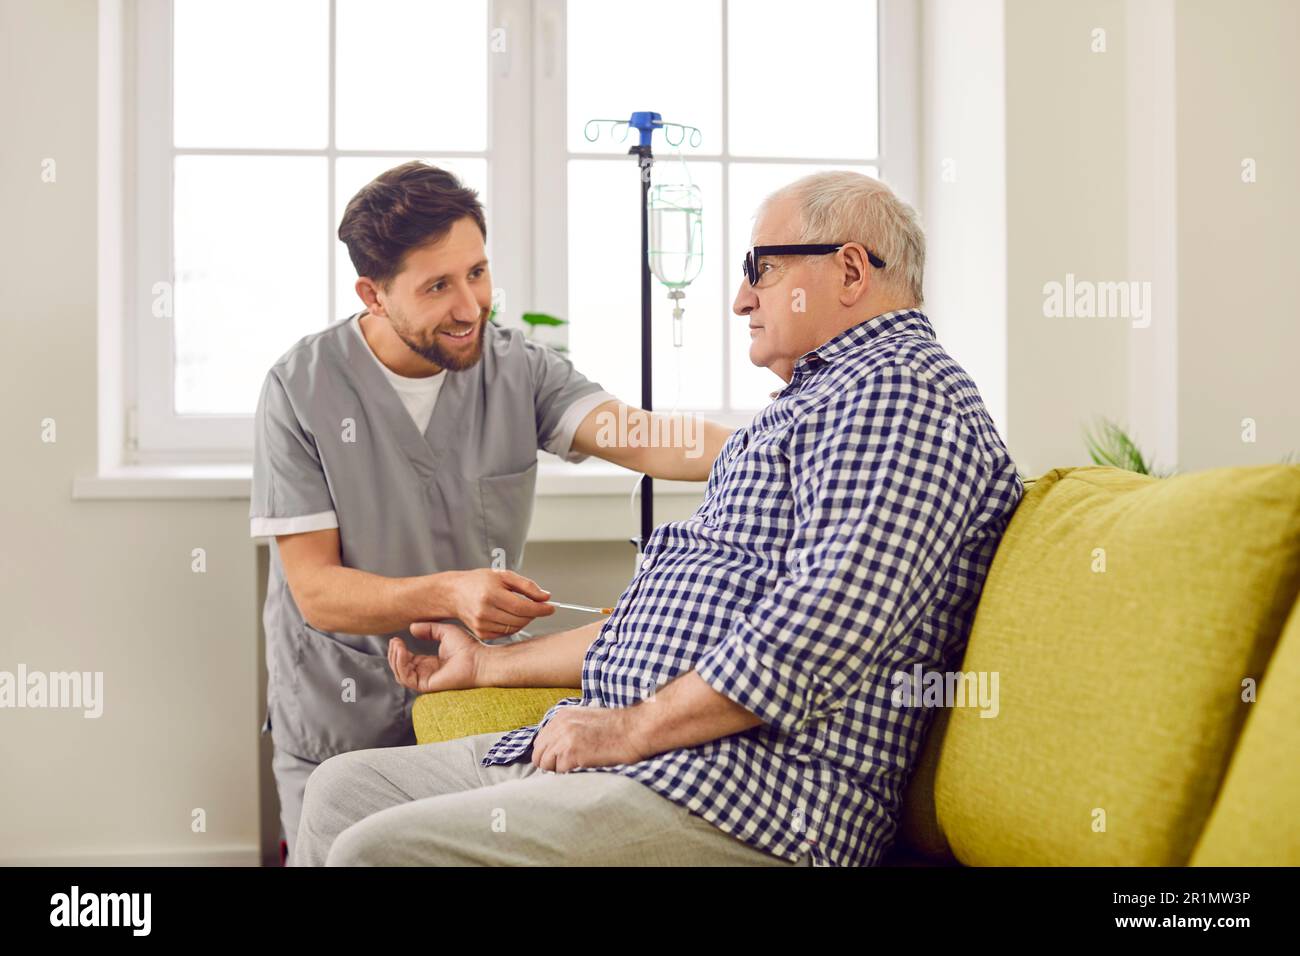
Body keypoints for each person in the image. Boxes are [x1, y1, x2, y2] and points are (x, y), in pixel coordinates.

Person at [293, 170, 1025, 867]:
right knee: (340, 792)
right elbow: (675, 621)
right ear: (374, 294)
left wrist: (628, 727)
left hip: (744, 793)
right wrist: (490, 663)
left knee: (372, 852)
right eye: (439, 284)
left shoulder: (899, 395)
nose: (741, 298)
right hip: (658, 761)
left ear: (852, 272)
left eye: (760, 268)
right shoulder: (812, 410)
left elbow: (828, 620)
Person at [251, 161, 731, 862]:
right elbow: (317, 591)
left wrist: (773, 446)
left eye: (477, 272)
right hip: (338, 706)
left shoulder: (516, 369)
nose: (471, 306)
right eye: (438, 286)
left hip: (467, 709)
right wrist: (450, 590)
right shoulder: (300, 391)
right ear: (373, 294)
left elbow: (640, 436)